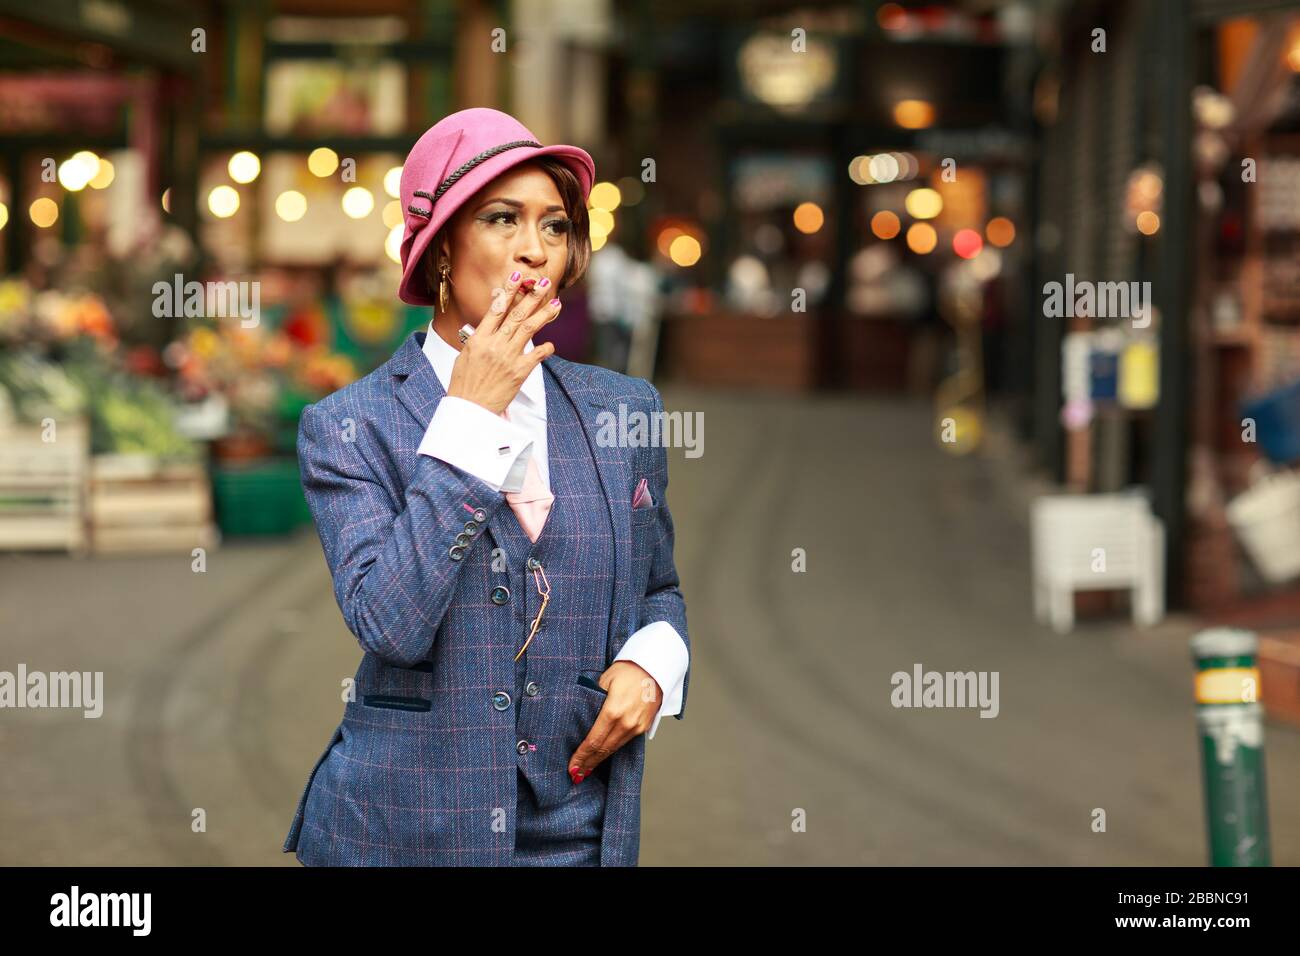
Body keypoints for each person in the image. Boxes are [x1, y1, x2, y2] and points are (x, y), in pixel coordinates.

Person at [281, 108, 691, 866]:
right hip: (404, 834)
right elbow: (390, 623)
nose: (534, 249)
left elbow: (658, 586)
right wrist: (470, 416)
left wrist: (656, 664)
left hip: (579, 831)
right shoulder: (349, 424)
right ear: (440, 248)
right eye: (503, 219)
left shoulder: (622, 409)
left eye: (556, 226)